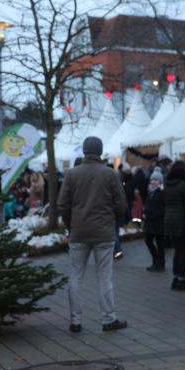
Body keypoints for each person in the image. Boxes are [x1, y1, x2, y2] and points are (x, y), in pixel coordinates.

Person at [57, 136, 128, 333]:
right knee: (105, 278)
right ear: (100, 151)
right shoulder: (110, 174)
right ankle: (108, 318)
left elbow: (62, 204)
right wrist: (113, 220)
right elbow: (121, 204)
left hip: (78, 232)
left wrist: (72, 224)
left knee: (76, 276)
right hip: (104, 233)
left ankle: (75, 320)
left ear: (84, 151)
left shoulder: (71, 174)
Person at [162, 160, 185, 291]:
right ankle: (181, 280)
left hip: (170, 222)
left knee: (177, 251)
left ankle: (176, 278)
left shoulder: (167, 185)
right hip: (184, 223)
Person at [142, 168, 166, 272]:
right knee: (148, 241)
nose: (153, 182)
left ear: (160, 181)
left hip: (159, 222)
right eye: (152, 180)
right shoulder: (150, 192)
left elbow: (164, 208)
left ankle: (159, 263)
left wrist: (153, 214)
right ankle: (156, 260)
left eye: (156, 180)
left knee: (160, 243)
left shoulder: (162, 192)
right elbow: (147, 204)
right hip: (150, 222)